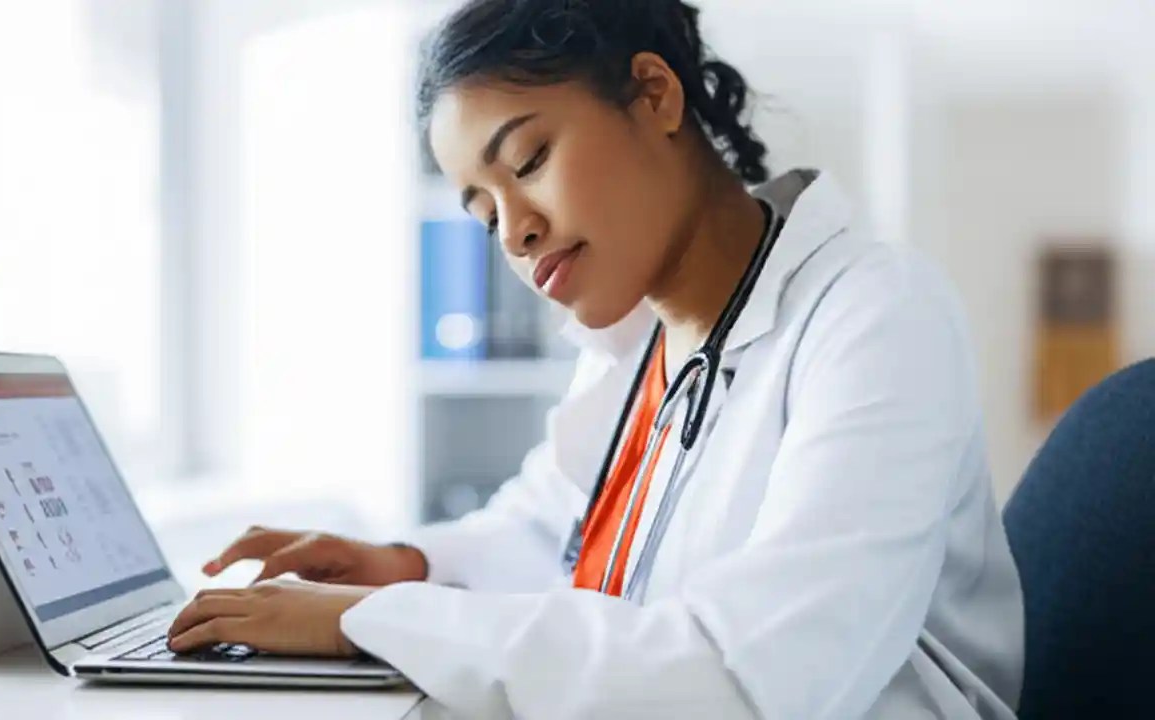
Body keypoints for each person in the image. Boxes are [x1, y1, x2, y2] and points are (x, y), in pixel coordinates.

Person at [166, 1, 1025, 717]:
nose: (515, 233)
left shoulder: (875, 316)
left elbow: (753, 676)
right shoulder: (642, 347)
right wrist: (405, 565)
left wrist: (370, 618)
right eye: (484, 213)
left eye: (530, 161)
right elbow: (549, 534)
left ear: (654, 94)